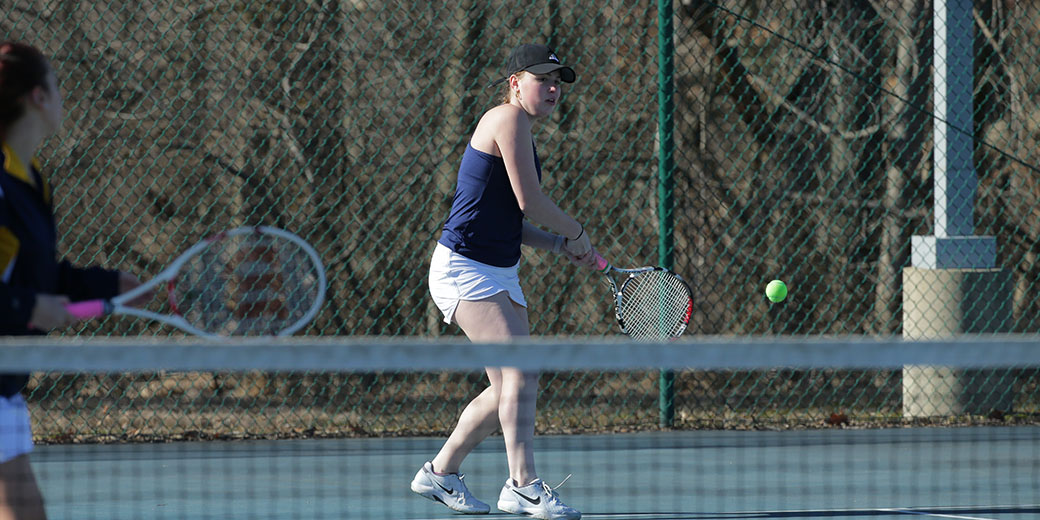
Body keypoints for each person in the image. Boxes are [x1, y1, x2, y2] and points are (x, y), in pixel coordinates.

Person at [412, 44, 594, 520]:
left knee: (510, 387)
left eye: (559, 82)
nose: (554, 89)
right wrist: (574, 231)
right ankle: (524, 486)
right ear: (515, 82)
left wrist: (559, 246)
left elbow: (513, 217)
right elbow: (531, 200)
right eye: (543, 79)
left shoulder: (523, 134)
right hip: (463, 268)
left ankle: (441, 473)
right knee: (520, 373)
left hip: (498, 268)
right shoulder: (506, 119)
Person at [0, 41, 145, 520]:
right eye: (57, 86)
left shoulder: (31, 179)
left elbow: (36, 276)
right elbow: (23, 295)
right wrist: (25, 309)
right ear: (38, 97)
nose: (64, 98)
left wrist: (108, 283)